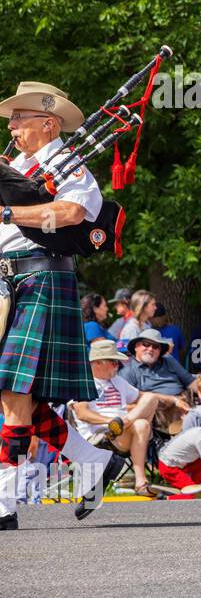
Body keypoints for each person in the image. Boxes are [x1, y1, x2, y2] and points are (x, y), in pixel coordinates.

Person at [0, 81, 125, 529]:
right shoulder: (13, 167)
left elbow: (72, 214)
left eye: (20, 118)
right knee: (16, 393)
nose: (12, 126)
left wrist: (8, 212)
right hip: (8, 281)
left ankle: (5, 501)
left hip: (42, 274)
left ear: (48, 123)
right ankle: (92, 460)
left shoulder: (68, 164)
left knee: (14, 388)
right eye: (11, 119)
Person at [71, 339, 164, 496]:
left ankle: (123, 424)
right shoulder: (84, 383)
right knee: (141, 424)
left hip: (123, 430)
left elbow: (145, 399)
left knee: (150, 399)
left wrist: (174, 400)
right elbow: (82, 413)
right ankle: (140, 482)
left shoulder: (118, 381)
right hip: (100, 436)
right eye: (114, 362)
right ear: (97, 363)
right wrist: (110, 421)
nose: (117, 365)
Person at [119, 328, 199, 437]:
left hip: (186, 404)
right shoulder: (128, 371)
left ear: (160, 350)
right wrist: (170, 401)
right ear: (136, 346)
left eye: (155, 346)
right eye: (146, 344)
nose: (150, 349)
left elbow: (191, 381)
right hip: (158, 417)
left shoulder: (168, 360)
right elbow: (127, 405)